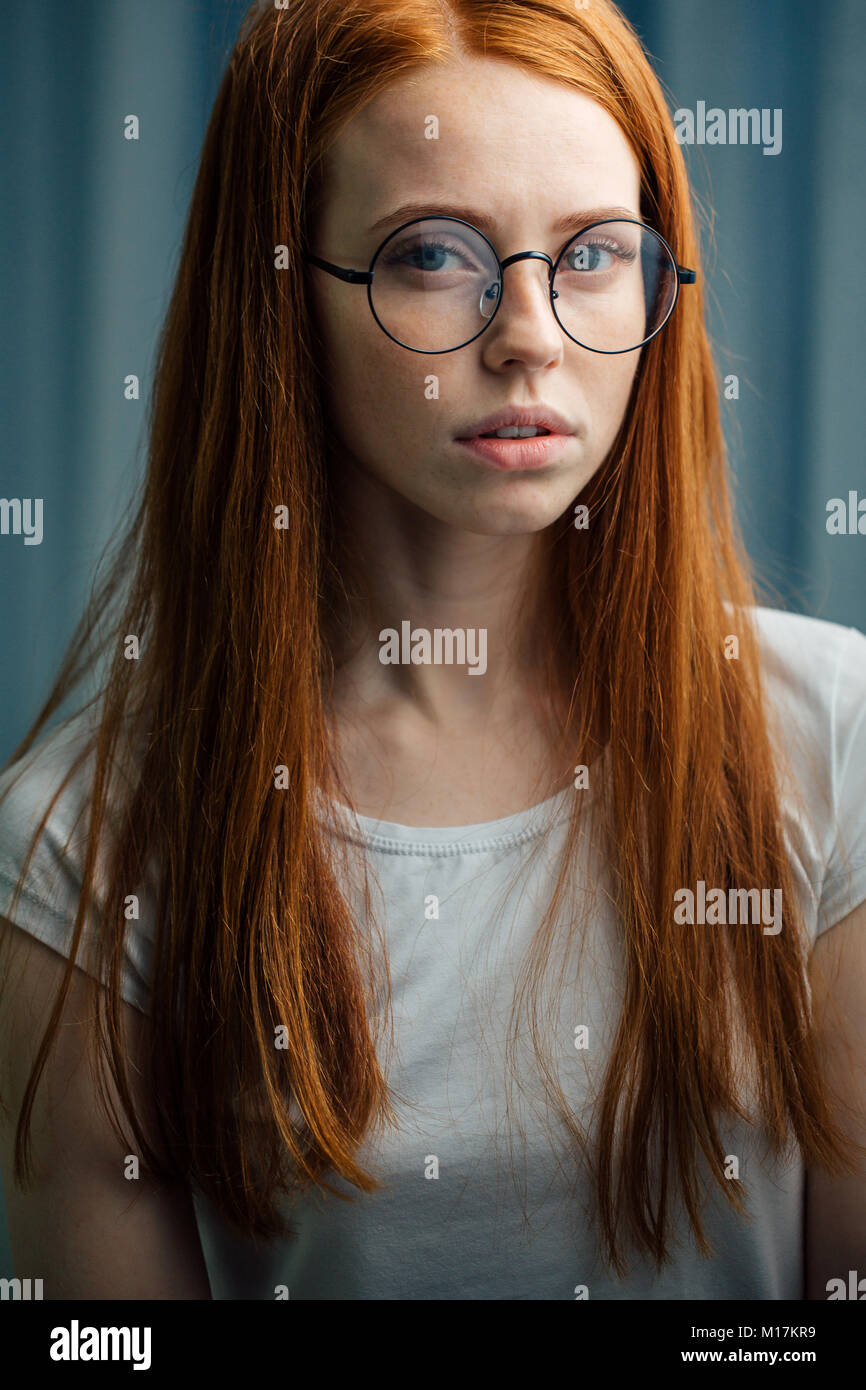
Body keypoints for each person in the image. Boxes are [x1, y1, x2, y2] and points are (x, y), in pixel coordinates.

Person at [1, 0, 864, 1301]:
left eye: (590, 255)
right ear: (280, 293)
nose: (527, 333)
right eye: (431, 254)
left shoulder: (836, 735)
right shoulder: (74, 845)